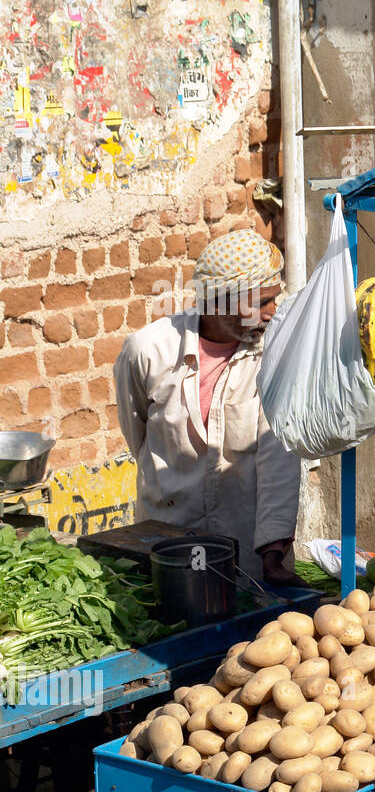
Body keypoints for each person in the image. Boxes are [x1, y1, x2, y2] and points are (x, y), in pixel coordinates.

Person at [114, 229, 305, 586]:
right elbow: (136, 433)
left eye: (274, 299)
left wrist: (273, 553)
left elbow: (279, 457)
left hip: (250, 551)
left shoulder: (275, 355)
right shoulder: (148, 352)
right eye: (261, 302)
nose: (272, 313)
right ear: (218, 304)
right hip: (167, 540)